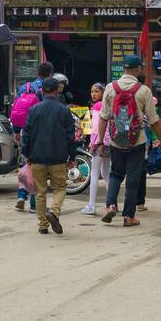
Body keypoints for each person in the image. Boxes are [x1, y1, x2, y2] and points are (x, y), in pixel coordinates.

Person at [100, 55, 161, 227]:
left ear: (123, 68)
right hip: (137, 140)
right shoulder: (143, 90)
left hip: (115, 140)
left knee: (115, 174)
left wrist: (100, 142)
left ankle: (111, 205)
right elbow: (154, 120)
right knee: (133, 178)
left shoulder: (109, 88)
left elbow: (103, 118)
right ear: (138, 69)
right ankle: (129, 216)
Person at [20, 76, 77, 235]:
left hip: (37, 156)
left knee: (40, 192)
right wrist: (72, 156)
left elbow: (27, 134)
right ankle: (54, 212)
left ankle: (43, 224)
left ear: (42, 90)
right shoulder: (64, 110)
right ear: (57, 90)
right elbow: (70, 136)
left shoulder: (34, 109)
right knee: (60, 188)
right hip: (58, 157)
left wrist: (26, 153)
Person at [13, 61, 54, 214]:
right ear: (50, 74)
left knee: (26, 166)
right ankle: (33, 205)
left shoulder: (26, 87)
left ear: (38, 72)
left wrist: (16, 130)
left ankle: (21, 196)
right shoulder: (48, 87)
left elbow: (17, 109)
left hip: (25, 130)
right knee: (38, 168)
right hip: (41, 133)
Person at [81, 82, 108, 216]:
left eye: (96, 91)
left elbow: (96, 128)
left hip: (99, 143)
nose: (93, 94)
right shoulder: (107, 104)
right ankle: (111, 203)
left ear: (102, 92)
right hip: (109, 143)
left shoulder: (97, 106)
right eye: (92, 91)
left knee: (95, 173)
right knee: (106, 172)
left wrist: (93, 143)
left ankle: (91, 205)